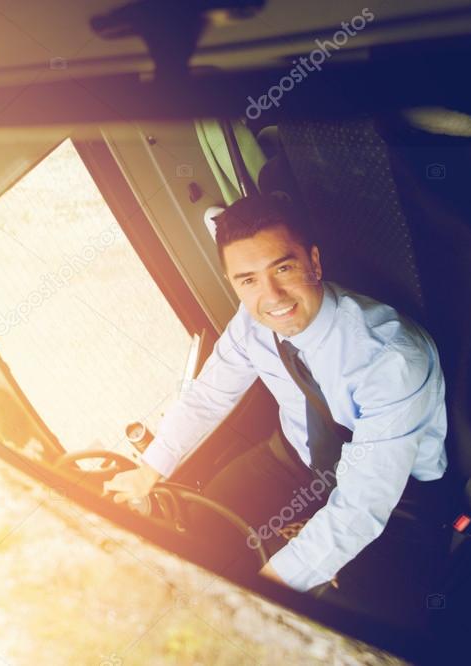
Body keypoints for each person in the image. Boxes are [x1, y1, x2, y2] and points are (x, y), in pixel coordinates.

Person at [103, 194, 452, 625]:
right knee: (200, 525)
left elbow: (362, 504)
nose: (271, 297)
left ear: (314, 263)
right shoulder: (252, 322)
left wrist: (263, 592)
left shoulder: (391, 358)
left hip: (400, 495)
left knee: (342, 618)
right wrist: (148, 470)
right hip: (298, 458)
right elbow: (208, 395)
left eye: (283, 269)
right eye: (248, 280)